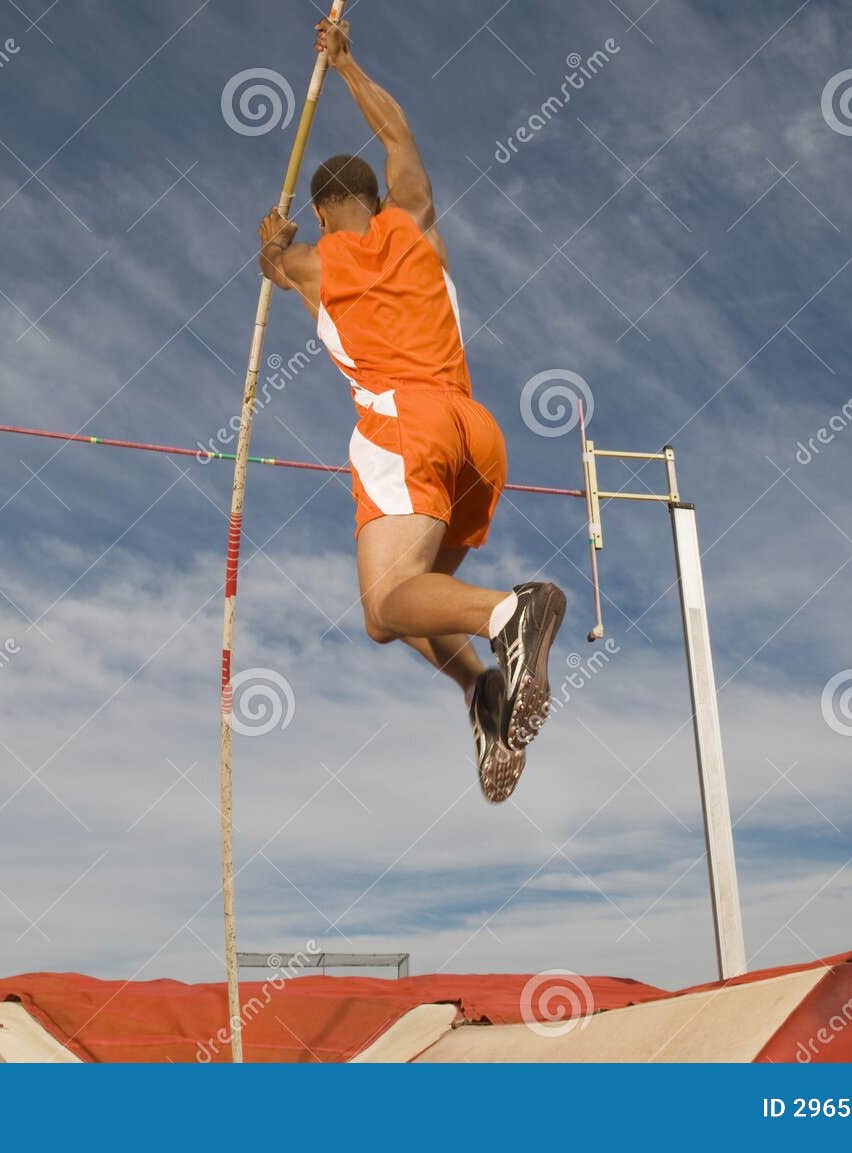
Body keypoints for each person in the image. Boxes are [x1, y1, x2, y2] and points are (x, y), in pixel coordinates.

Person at [256, 18, 566, 803]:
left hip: (403, 430)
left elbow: (268, 264)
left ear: (324, 214)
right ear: (371, 197)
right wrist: (349, 65)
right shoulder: (416, 221)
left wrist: (272, 239)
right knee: (396, 609)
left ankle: (511, 611)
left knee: (390, 599)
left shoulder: (312, 265)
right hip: (475, 432)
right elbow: (397, 129)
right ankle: (482, 690)